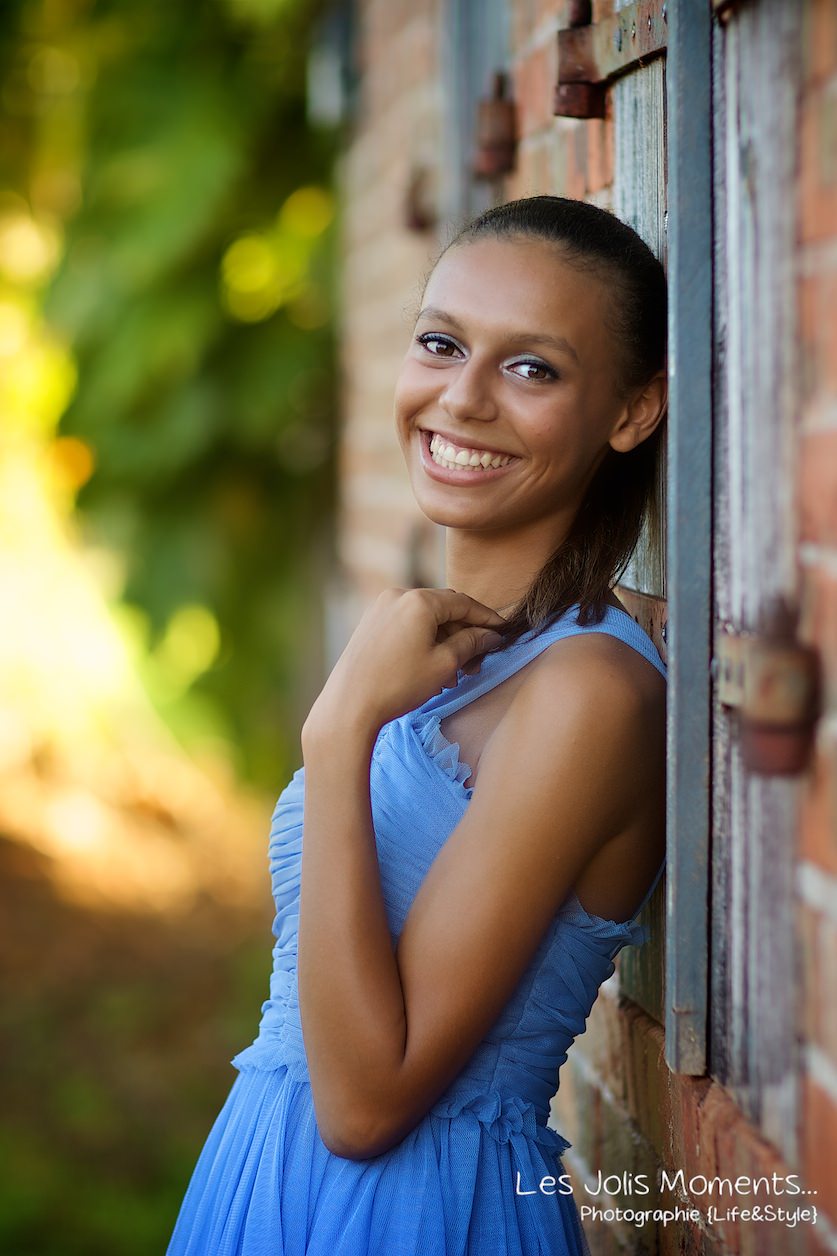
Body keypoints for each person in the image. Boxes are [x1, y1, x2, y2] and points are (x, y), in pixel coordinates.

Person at [166, 194, 669, 1256]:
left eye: (532, 368)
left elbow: (367, 1101)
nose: (463, 397)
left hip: (419, 1212)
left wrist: (337, 729)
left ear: (631, 412)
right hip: (262, 1176)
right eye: (441, 343)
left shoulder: (589, 695)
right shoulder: (442, 661)